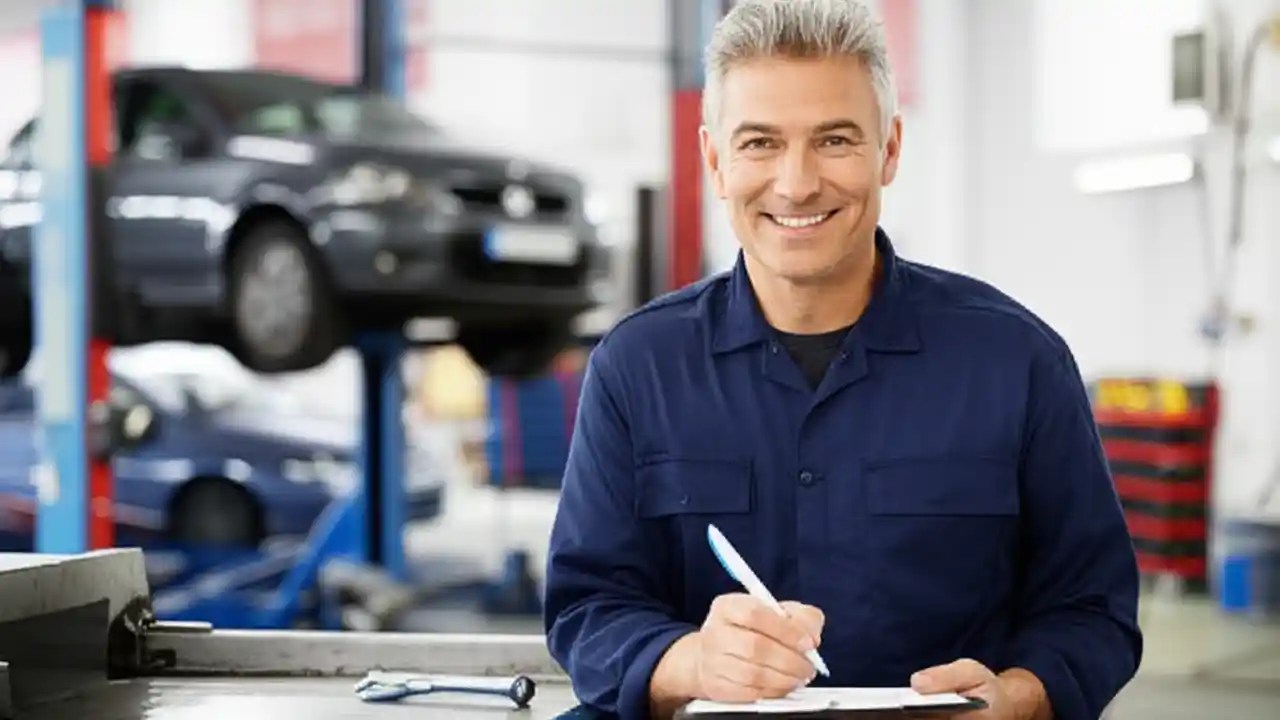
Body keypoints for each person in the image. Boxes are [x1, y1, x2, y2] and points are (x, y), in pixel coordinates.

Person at [542, 1, 1142, 718]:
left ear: (889, 149)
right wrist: (689, 662)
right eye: (760, 143)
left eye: (834, 140)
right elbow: (588, 608)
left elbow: (1093, 609)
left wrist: (1017, 698)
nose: (796, 184)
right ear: (715, 160)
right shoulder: (637, 369)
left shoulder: (1017, 363)